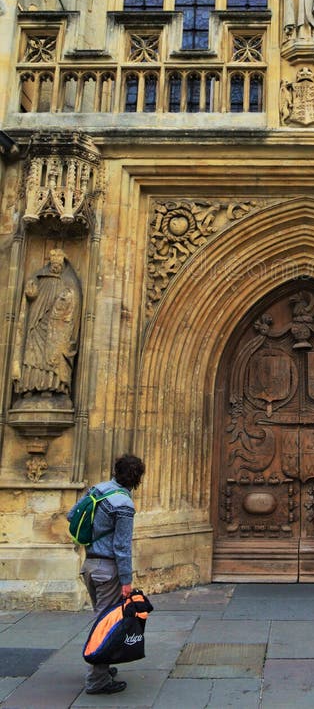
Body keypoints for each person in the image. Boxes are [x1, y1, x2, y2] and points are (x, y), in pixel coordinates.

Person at [68, 454, 146, 695]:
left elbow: (71, 515)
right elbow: (122, 546)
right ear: (137, 477)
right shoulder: (123, 504)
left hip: (90, 565)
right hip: (108, 570)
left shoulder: (98, 490)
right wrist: (126, 580)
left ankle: (102, 665)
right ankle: (97, 679)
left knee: (102, 619)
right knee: (106, 625)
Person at [12, 248, 81, 398]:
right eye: (54, 264)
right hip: (37, 321)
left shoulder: (69, 281)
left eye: (59, 264)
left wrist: (65, 300)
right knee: (32, 354)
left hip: (57, 324)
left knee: (53, 356)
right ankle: (28, 386)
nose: (56, 267)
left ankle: (51, 386)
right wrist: (30, 293)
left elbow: (73, 302)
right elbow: (31, 293)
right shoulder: (40, 277)